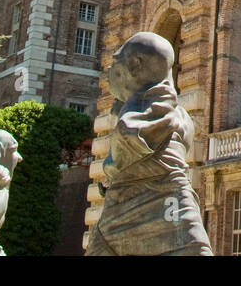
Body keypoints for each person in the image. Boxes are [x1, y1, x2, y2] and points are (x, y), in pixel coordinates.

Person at [86, 32, 213, 256]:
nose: (111, 71)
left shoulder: (132, 123)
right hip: (171, 207)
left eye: (117, 63)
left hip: (124, 214)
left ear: (135, 65)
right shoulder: (182, 117)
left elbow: (123, 151)